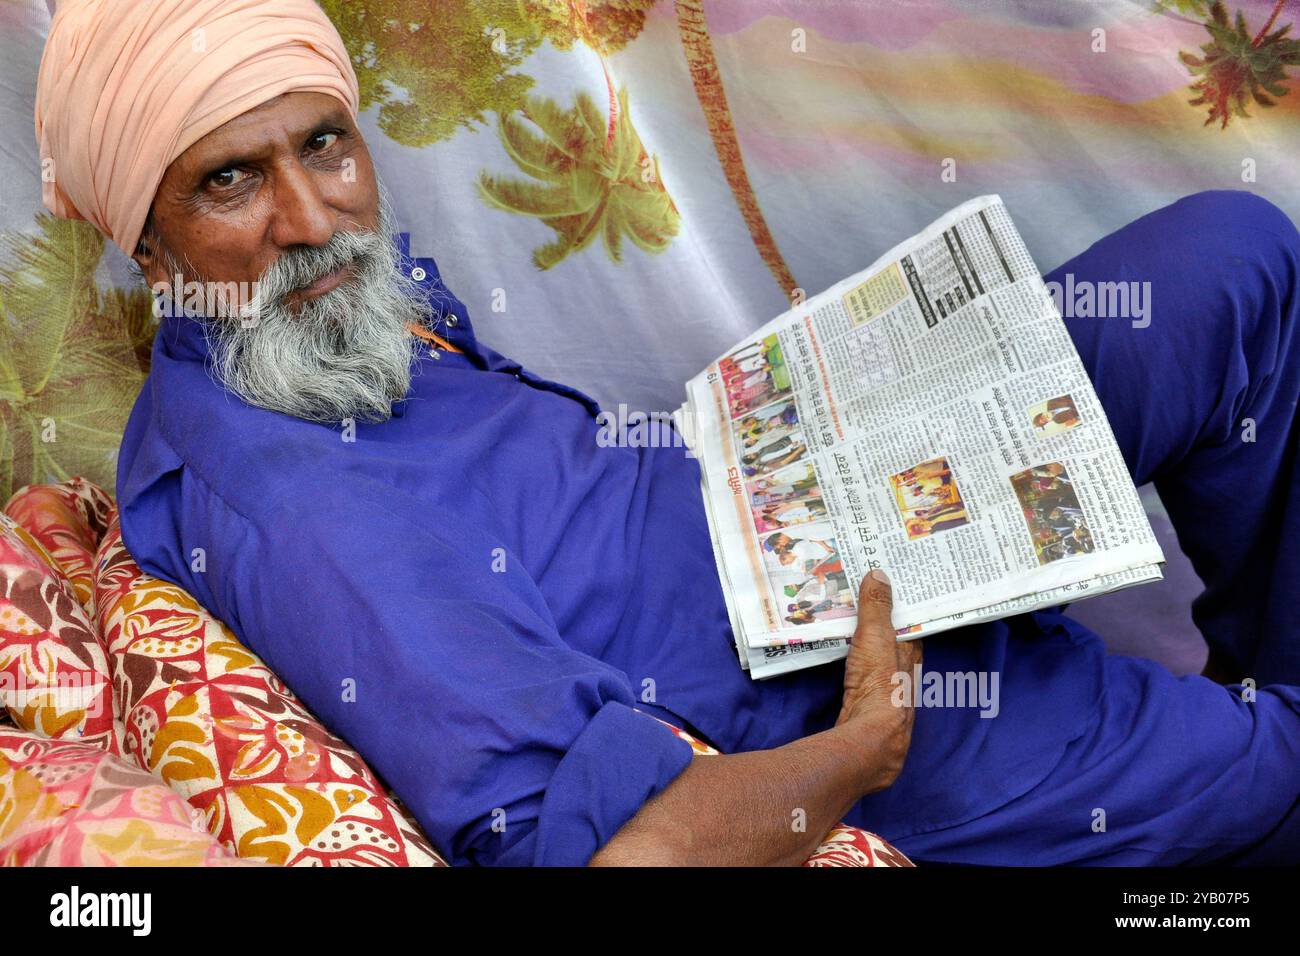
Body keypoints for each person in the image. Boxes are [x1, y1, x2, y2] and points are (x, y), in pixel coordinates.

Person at [36, 0, 1300, 866]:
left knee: (1237, 263)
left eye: (325, 144)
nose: (313, 218)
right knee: (1274, 767)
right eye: (230, 181)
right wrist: (865, 743)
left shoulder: (322, 302)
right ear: (144, 242)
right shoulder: (297, 510)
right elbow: (626, 852)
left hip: (813, 495)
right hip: (839, 692)